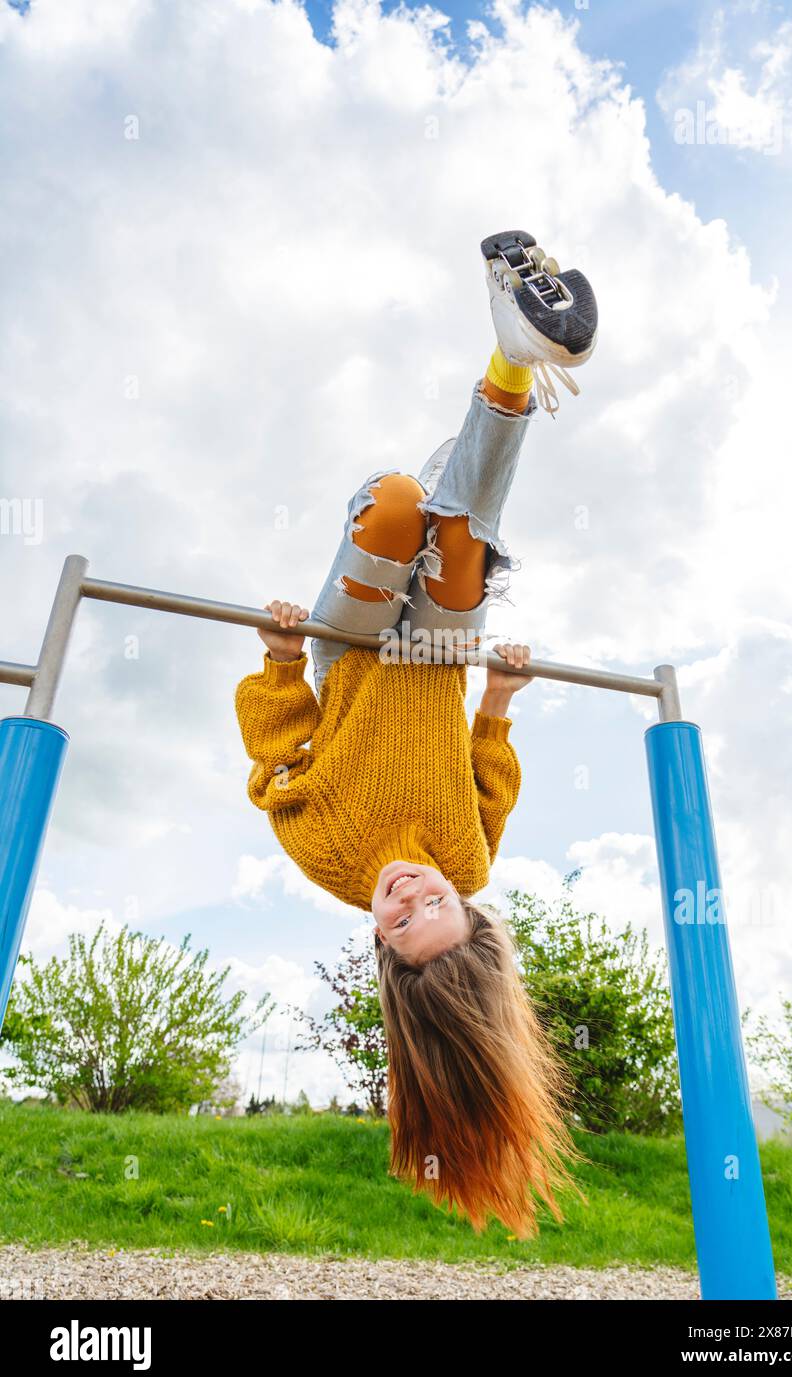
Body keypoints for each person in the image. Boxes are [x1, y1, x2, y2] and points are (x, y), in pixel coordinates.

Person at [236, 231, 598, 1236]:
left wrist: (276, 656)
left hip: (349, 653)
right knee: (461, 546)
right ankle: (513, 353)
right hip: (438, 657)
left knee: (396, 506)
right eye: (432, 903)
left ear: (381, 945)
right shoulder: (469, 854)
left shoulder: (324, 854)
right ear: (468, 908)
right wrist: (500, 703)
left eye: (397, 923)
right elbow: (488, 780)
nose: (405, 897)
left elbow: (276, 754)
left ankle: (483, 411)